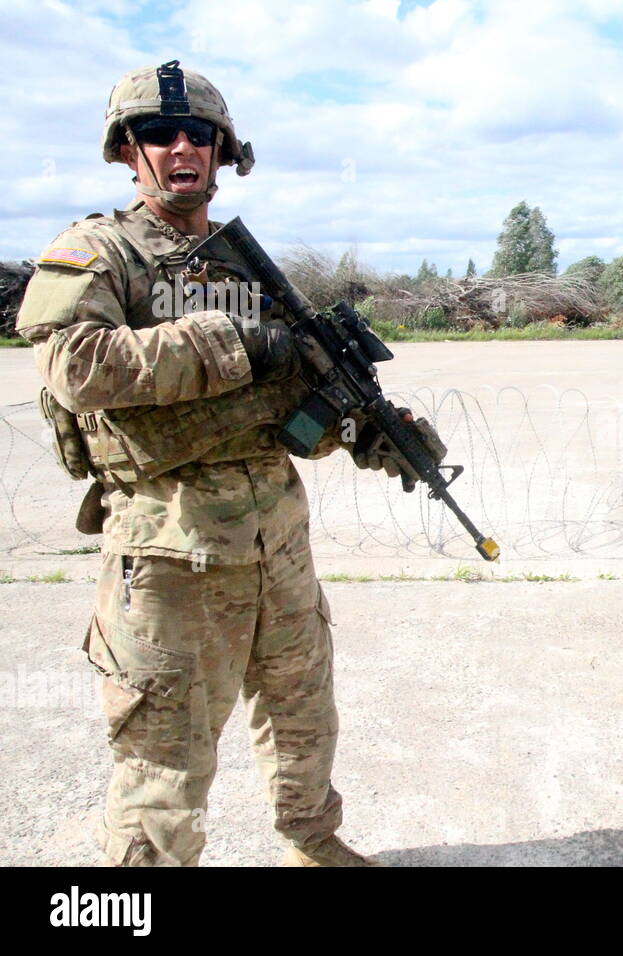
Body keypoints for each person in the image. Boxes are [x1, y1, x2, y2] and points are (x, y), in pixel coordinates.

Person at [17, 60, 391, 866]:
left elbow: (282, 403)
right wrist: (237, 342)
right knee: (164, 761)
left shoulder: (244, 268)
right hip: (170, 554)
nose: (181, 147)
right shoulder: (96, 251)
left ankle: (313, 844)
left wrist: (346, 421)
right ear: (127, 150)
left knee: (303, 717)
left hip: (278, 544)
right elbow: (78, 367)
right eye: (159, 133)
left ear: (225, 153)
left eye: (200, 136)